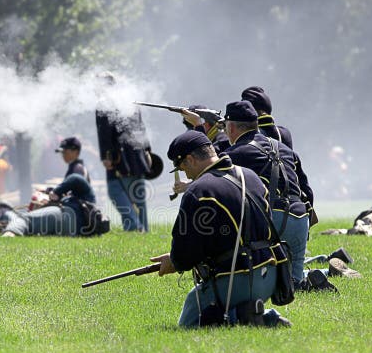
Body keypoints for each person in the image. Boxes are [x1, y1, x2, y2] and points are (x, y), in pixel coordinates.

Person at [149, 130, 290, 327]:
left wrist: (175, 261)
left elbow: (185, 255)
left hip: (235, 279)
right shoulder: (249, 176)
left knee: (189, 324)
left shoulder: (198, 191)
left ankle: (261, 318)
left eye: (181, 167)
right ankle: (255, 315)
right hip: (270, 274)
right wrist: (174, 258)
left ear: (189, 159)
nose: (185, 174)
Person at [218, 101, 324, 290]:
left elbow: (217, 189)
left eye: (225, 127)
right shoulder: (286, 149)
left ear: (231, 127)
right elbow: (306, 191)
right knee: (292, 284)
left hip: (269, 222)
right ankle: (316, 279)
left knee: (251, 277)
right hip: (300, 219)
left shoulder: (234, 153)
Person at [95, 71, 152, 232]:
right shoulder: (130, 101)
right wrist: (147, 151)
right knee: (138, 197)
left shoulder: (104, 103)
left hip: (119, 158)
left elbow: (104, 132)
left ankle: (134, 227)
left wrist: (107, 156)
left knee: (116, 192)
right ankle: (142, 228)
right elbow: (142, 128)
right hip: (138, 154)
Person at [0, 173, 100, 237]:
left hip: (65, 216)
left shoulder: (81, 188)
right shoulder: (82, 198)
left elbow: (76, 178)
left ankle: (10, 232)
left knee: (25, 220)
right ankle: (7, 214)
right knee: (25, 223)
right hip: (73, 231)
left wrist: (55, 192)